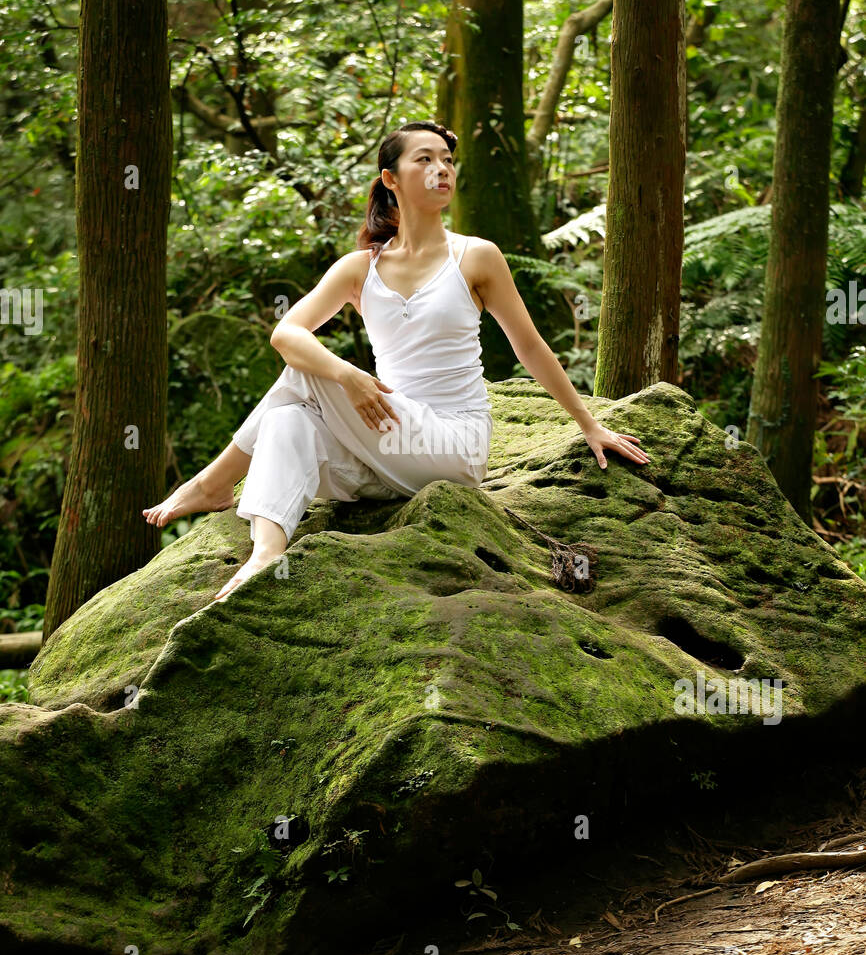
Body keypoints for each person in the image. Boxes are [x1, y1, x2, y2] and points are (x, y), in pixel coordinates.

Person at [143, 120, 650, 601]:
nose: (442, 169)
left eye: (447, 160)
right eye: (425, 159)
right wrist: (351, 377)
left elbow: (530, 346)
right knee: (286, 421)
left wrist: (589, 424)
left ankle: (212, 484)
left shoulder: (475, 256)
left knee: (306, 370)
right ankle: (267, 549)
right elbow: (284, 332)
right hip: (383, 453)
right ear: (391, 179)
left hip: (452, 444)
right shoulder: (360, 269)